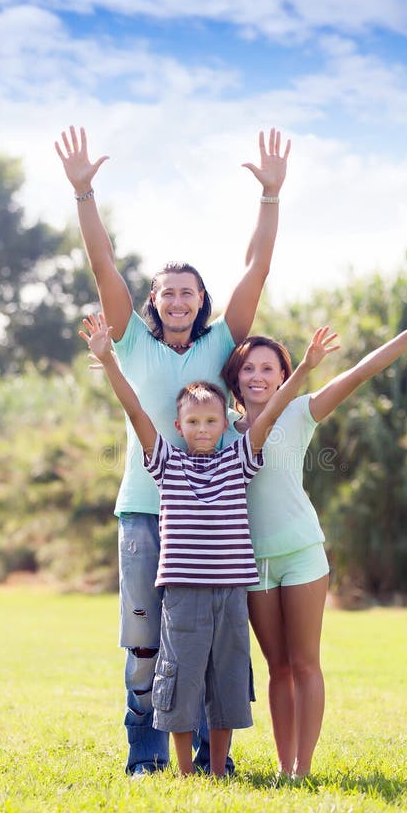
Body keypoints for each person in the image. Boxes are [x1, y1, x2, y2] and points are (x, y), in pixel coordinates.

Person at [55, 125, 291, 774]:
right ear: (154, 302)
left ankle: (218, 755)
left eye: (190, 291)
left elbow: (258, 269)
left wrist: (270, 198)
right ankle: (146, 756)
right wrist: (84, 194)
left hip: (211, 523)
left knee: (214, 642)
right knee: (143, 642)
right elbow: (103, 264)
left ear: (201, 301)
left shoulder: (221, 347)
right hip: (143, 511)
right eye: (168, 291)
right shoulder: (131, 342)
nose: (180, 299)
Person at [80, 313, 338, 775]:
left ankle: (218, 768)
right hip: (182, 595)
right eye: (193, 421)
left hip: (232, 595)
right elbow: (136, 410)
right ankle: (183, 771)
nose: (202, 428)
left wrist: (304, 369)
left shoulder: (239, 461)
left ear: (227, 424)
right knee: (180, 680)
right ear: (178, 426)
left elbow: (275, 411)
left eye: (211, 421)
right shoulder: (165, 463)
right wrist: (109, 361)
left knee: (228, 681)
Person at [221, 303, 407, 779]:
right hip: (252, 562)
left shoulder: (301, 411)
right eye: (249, 368)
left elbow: (361, 372)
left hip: (303, 554)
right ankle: (285, 768)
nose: (258, 376)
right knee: (276, 668)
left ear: (286, 375)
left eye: (269, 368)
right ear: (236, 377)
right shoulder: (219, 427)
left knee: (305, 664)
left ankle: (303, 770)